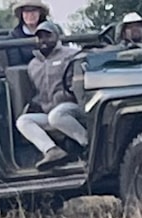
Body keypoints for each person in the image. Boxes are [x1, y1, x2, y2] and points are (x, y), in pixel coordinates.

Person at [15, 22, 88, 167]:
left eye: (48, 35)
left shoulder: (71, 55)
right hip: (50, 113)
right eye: (40, 37)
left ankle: (89, 144)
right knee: (23, 121)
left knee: (56, 116)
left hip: (73, 108)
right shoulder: (33, 65)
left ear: (57, 36)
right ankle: (52, 150)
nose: (44, 40)